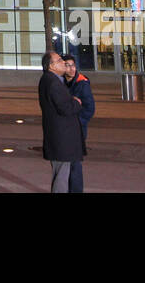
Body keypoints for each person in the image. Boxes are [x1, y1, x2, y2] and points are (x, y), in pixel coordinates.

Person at [39, 51, 85, 193]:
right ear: (51, 66)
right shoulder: (53, 82)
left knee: (62, 174)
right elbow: (65, 108)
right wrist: (76, 103)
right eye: (59, 60)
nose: (63, 62)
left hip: (60, 137)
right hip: (61, 138)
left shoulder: (52, 80)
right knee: (61, 176)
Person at [62, 54, 94, 193]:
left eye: (73, 65)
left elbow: (89, 108)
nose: (71, 69)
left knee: (75, 163)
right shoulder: (60, 82)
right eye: (68, 65)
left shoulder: (82, 83)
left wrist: (78, 122)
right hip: (64, 129)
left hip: (78, 128)